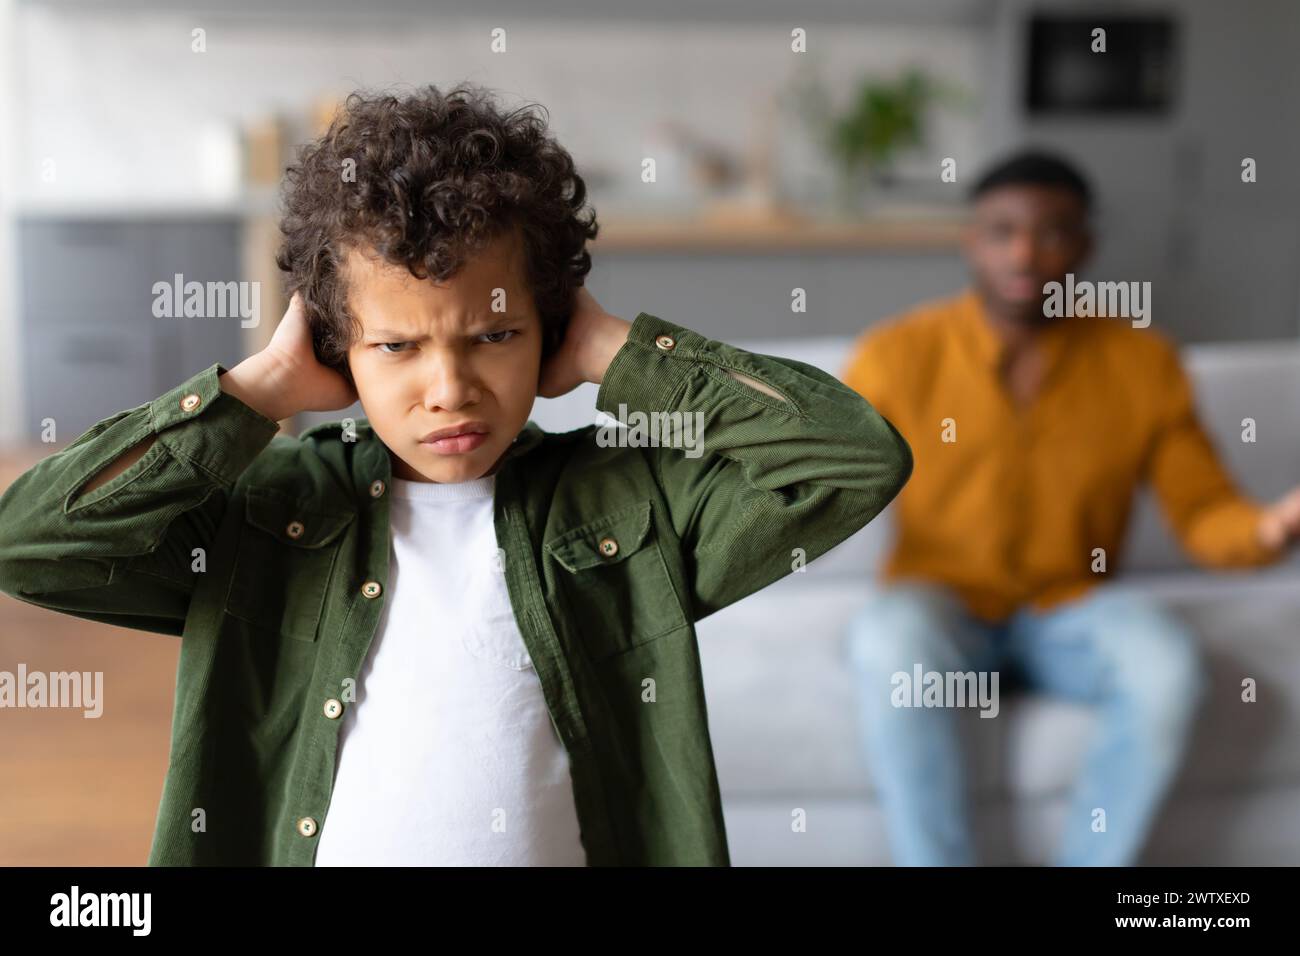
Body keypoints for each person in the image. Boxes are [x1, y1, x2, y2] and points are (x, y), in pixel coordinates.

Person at [0, 83, 912, 865]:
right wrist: (262, 388)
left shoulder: (630, 507)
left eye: (496, 335)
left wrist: (612, 347)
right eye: (396, 346)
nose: (451, 390)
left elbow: (855, 455)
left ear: (548, 329)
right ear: (334, 347)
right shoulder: (266, 517)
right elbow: (30, 540)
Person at [839, 150, 1300, 866]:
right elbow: (830, 480)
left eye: (1052, 232)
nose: (1025, 252)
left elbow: (1206, 511)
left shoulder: (1144, 363)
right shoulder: (896, 355)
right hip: (942, 605)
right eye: (1002, 230)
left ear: (1085, 244)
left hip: (1070, 608)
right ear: (972, 240)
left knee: (1164, 664)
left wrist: (1274, 525)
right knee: (889, 638)